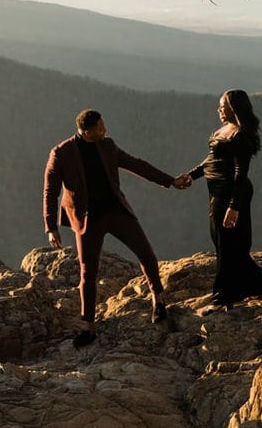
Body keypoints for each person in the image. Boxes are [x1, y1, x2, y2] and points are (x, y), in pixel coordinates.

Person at [43, 108, 184, 347]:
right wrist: (50, 227)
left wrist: (170, 181)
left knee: (147, 254)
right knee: (88, 273)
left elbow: (137, 165)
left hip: (116, 212)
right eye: (100, 127)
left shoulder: (107, 146)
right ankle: (88, 326)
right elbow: (50, 191)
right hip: (87, 219)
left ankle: (158, 301)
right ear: (87, 131)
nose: (104, 130)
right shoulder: (62, 153)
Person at [183, 90, 262, 313]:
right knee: (224, 242)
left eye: (222, 106)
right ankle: (260, 284)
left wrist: (234, 207)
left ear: (234, 109)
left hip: (232, 193)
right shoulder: (224, 130)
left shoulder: (242, 136)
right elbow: (211, 159)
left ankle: (222, 298)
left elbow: (240, 174)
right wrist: (191, 175)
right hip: (216, 191)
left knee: (228, 246)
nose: (218, 110)